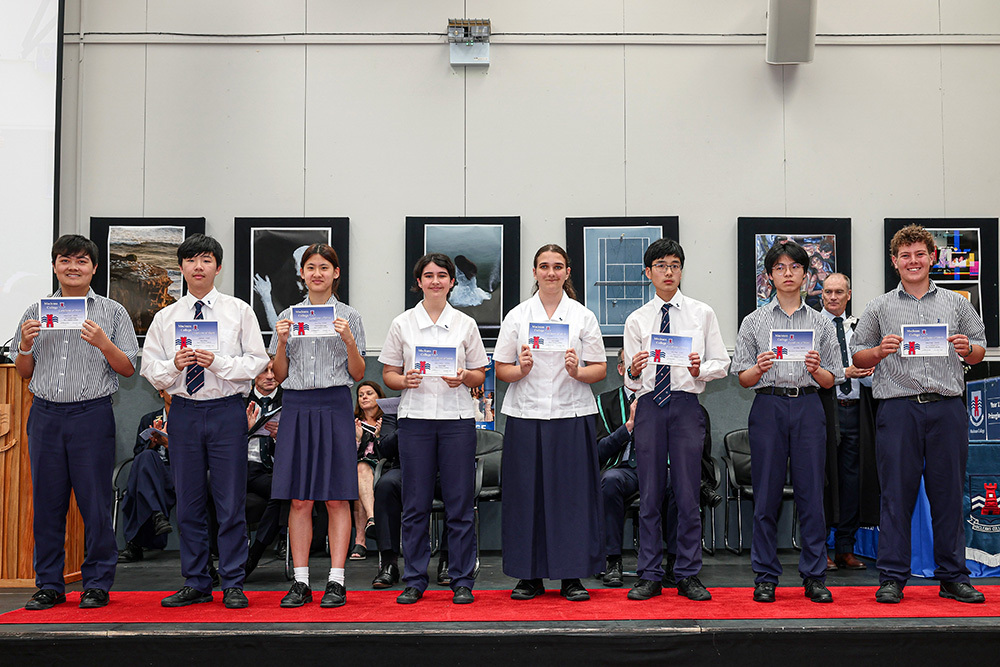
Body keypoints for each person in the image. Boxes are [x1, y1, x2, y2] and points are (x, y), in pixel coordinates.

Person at [851, 224, 987, 605]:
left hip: (947, 409)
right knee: (895, 496)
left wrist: (967, 348)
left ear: (933, 258)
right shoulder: (879, 306)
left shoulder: (957, 303)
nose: (913, 261)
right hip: (898, 410)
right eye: (905, 256)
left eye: (920, 254)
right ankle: (892, 577)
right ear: (895, 262)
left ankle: (953, 577)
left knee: (949, 495)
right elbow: (857, 354)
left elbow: (979, 348)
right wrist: (878, 352)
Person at [142, 233, 269, 610]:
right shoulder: (167, 316)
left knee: (230, 501)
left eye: (206, 260)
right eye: (191, 260)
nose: (199, 267)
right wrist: (173, 366)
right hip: (183, 411)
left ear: (218, 266)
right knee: (190, 500)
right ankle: (196, 580)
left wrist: (218, 363)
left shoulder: (238, 310)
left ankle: (232, 581)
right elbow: (150, 369)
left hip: (227, 410)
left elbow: (256, 362)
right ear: (181, 267)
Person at [13, 234, 139, 610]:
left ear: (94, 268)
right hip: (47, 415)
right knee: (48, 504)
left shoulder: (112, 313)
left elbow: (129, 368)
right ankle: (49, 584)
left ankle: (97, 582)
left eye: (81, 261)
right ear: (54, 266)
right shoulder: (35, 310)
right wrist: (23, 345)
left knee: (95, 504)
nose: (73, 267)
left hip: (91, 415)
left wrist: (103, 343)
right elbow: (23, 372)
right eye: (65, 260)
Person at [732, 239, 843, 604]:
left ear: (806, 276)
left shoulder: (821, 323)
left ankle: (814, 576)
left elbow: (832, 379)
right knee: (766, 495)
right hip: (768, 406)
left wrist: (817, 369)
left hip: (810, 406)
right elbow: (742, 379)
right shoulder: (754, 321)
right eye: (779, 268)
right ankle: (765, 576)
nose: (787, 273)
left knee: (813, 494)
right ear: (769, 277)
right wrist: (758, 368)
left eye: (794, 267)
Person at [495, 244, 607, 602]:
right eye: (544, 266)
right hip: (526, 417)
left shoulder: (582, 316)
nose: (551, 273)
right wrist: (521, 369)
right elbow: (500, 370)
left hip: (571, 415)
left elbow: (600, 369)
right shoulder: (517, 315)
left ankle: (571, 575)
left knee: (571, 499)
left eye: (558, 266)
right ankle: (529, 576)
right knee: (525, 497)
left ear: (568, 272)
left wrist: (578, 371)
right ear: (534, 272)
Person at [622, 238, 731, 602]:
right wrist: (635, 372)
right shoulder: (637, 319)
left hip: (686, 403)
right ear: (648, 272)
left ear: (682, 270)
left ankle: (687, 573)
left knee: (687, 493)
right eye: (661, 265)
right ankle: (650, 573)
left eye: (674, 265)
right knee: (650, 493)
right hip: (651, 405)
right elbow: (630, 380)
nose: (668, 272)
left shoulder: (702, 313)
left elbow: (722, 362)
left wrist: (703, 369)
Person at [379, 253, 488, 605]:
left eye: (443, 275)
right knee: (415, 505)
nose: (436, 281)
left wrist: (464, 378)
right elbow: (388, 374)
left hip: (457, 422)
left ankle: (461, 579)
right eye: (429, 275)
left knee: (459, 504)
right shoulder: (402, 323)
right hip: (416, 421)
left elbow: (479, 374)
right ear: (419, 282)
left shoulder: (465, 324)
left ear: (453, 282)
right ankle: (414, 578)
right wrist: (403, 380)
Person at [269, 243, 366, 608]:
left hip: (335, 404)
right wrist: (280, 342)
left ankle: (337, 581)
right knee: (300, 499)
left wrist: (348, 340)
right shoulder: (288, 315)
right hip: (296, 405)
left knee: (337, 497)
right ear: (302, 273)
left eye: (324, 267)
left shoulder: (350, 316)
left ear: (335, 273)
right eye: (311, 267)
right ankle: (301, 581)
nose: (317, 273)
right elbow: (279, 375)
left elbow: (358, 374)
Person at [820, 273, 874, 572]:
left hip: (856, 409)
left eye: (839, 292)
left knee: (853, 481)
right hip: (824, 408)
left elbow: (873, 369)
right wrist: (845, 372)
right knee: (823, 480)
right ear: (820, 295)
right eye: (828, 292)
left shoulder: (861, 329)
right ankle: (820, 549)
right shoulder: (813, 327)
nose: (833, 297)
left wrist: (871, 370)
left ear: (849, 294)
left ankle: (845, 548)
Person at [118, 390, 175, 563]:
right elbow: (138, 454)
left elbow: (194, 455)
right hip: (152, 473)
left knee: (139, 484)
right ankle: (157, 514)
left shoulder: (190, 419)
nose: (173, 392)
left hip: (178, 472)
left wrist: (168, 444)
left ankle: (134, 544)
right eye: (168, 388)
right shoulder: (149, 419)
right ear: (160, 393)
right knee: (145, 458)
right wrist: (152, 443)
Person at [244, 359, 284, 579]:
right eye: (264, 371)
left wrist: (284, 436)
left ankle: (254, 554)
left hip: (269, 469)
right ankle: (211, 561)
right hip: (237, 469)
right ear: (253, 374)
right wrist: (246, 431)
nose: (270, 376)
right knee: (207, 486)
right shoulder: (238, 400)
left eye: (274, 370)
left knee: (283, 490)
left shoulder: (290, 401)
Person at [351, 380, 385, 560]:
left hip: (384, 467)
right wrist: (357, 439)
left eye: (369, 393)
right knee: (361, 470)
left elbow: (393, 450)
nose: (364, 397)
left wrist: (378, 437)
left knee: (361, 478)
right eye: (361, 394)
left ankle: (360, 541)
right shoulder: (354, 421)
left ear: (379, 396)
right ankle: (372, 521)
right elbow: (345, 453)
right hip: (359, 467)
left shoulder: (388, 420)